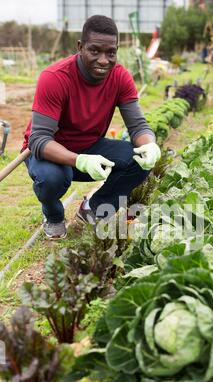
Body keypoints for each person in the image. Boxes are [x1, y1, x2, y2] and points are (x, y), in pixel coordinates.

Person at [22, 15, 160, 239]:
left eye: (111, 53)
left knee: (140, 160)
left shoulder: (120, 77)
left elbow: (138, 126)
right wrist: (80, 160)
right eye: (95, 51)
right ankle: (53, 215)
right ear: (80, 47)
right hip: (50, 152)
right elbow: (38, 140)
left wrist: (150, 144)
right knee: (52, 179)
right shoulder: (55, 78)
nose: (104, 60)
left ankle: (93, 209)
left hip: (89, 146)